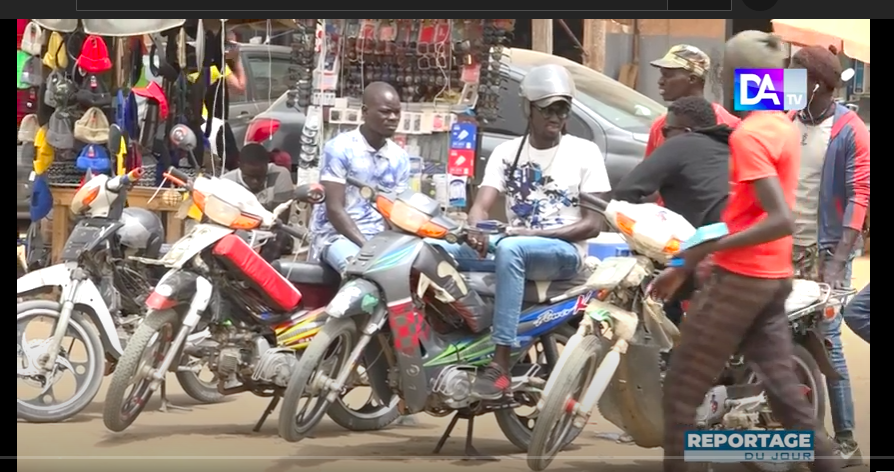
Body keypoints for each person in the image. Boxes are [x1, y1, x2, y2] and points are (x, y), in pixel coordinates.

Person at [652, 31, 841, 472]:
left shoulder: (750, 135)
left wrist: (703, 252)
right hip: (774, 278)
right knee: (788, 400)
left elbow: (778, 218)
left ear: (740, 78)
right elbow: (751, 213)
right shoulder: (783, 128)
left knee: (680, 396)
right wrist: (690, 256)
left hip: (740, 279)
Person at [429, 64, 611, 399]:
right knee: (430, 248)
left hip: (563, 254)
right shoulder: (505, 153)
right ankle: (446, 332)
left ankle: (500, 364)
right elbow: (482, 205)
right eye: (547, 108)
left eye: (562, 108)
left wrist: (532, 236)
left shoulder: (584, 153)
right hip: (513, 243)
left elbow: (593, 224)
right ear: (528, 108)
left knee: (514, 249)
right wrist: (475, 228)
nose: (556, 116)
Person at [787, 45, 870, 466]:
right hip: (785, 246)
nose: (786, 83)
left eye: (795, 76)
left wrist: (837, 262)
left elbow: (860, 197)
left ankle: (846, 439)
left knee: (828, 339)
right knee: (778, 334)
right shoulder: (786, 120)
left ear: (816, 83)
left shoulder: (851, 129)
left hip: (826, 250)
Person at [613, 96, 731, 326]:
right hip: (736, 249)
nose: (662, 137)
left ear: (685, 130)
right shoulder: (728, 147)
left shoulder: (682, 143)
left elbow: (626, 191)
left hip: (704, 254)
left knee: (660, 292)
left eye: (666, 131)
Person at [309, 82, 409, 273]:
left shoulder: (400, 157)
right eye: (385, 112)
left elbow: (399, 210)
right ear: (365, 111)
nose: (393, 118)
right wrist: (367, 248)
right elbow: (334, 209)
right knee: (360, 270)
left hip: (380, 239)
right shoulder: (340, 148)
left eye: (397, 112)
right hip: (336, 237)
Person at [646, 44, 740, 158]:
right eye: (661, 75)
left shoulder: (728, 124)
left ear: (692, 79)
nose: (660, 81)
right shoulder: (660, 125)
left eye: (668, 75)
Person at [221, 143, 294, 259]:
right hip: (239, 233)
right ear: (239, 166)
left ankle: (257, 273)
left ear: (267, 165)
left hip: (270, 234)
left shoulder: (280, 174)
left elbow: (280, 220)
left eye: (260, 177)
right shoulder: (226, 182)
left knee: (279, 236)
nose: (255, 182)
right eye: (249, 176)